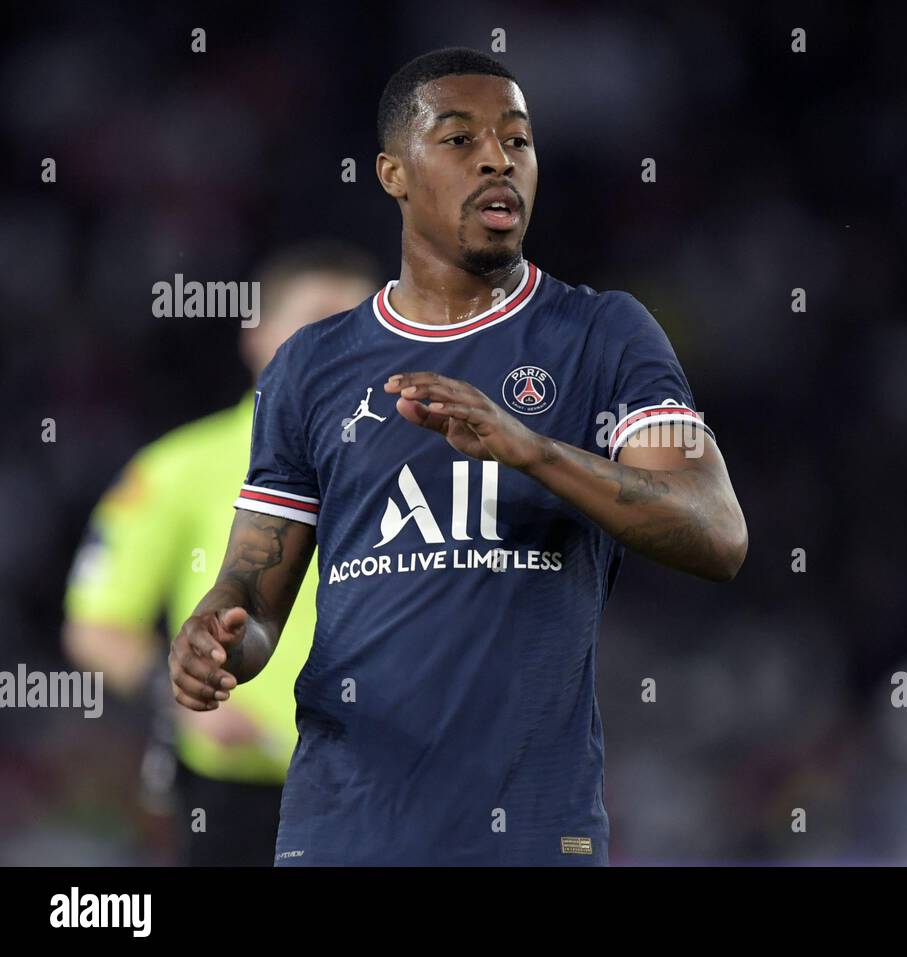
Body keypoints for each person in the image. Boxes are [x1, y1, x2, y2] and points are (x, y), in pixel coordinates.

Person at [170, 47, 748, 866]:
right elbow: (255, 595)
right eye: (458, 138)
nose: (496, 157)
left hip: (535, 829)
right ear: (394, 173)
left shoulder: (601, 335)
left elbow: (717, 531)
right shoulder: (309, 366)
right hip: (342, 828)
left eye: (518, 139)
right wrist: (216, 639)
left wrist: (534, 450)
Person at [63, 242, 381, 865]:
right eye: (319, 319)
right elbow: (97, 625)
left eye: (364, 325)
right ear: (257, 336)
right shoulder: (180, 467)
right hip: (236, 789)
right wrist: (178, 697)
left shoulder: (423, 471)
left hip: (384, 780)